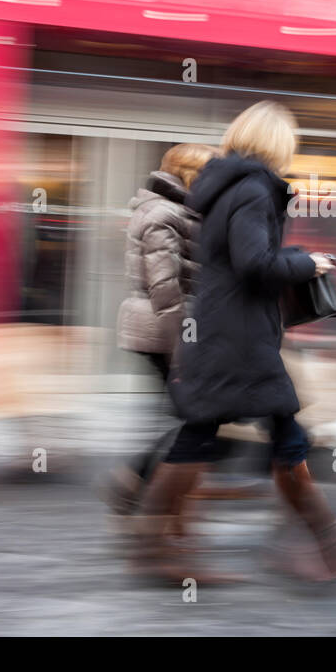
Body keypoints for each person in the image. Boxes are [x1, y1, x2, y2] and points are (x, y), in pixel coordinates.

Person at [134, 101, 336, 583]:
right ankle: (328, 546)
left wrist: (291, 257)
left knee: (248, 432)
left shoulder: (226, 187)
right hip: (239, 339)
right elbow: (254, 262)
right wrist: (305, 263)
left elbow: (240, 259)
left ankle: (155, 548)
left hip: (228, 333)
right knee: (227, 434)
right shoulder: (254, 189)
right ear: (278, 144)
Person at [104, 142, 217, 512]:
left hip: (164, 327)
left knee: (178, 413)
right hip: (162, 329)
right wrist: (182, 344)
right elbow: (165, 288)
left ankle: (141, 484)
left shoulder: (178, 210)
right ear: (191, 173)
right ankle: (140, 486)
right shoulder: (162, 213)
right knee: (191, 415)